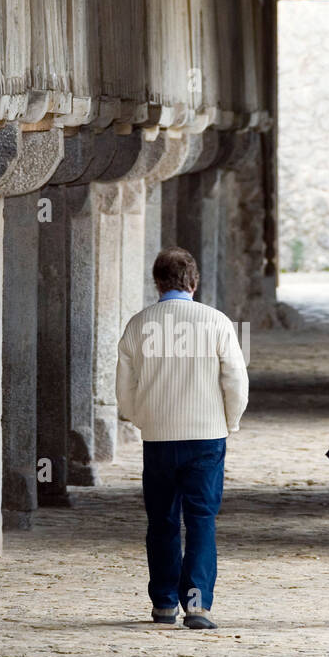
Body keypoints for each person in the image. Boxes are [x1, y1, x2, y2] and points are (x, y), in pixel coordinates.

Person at [116, 247, 249, 629]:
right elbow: (236, 382)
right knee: (202, 518)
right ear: (194, 281)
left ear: (156, 282)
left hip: (158, 437)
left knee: (161, 520)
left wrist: (140, 418)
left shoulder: (139, 324)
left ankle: (163, 603)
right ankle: (196, 604)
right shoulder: (217, 322)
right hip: (206, 436)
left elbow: (125, 389)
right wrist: (230, 421)